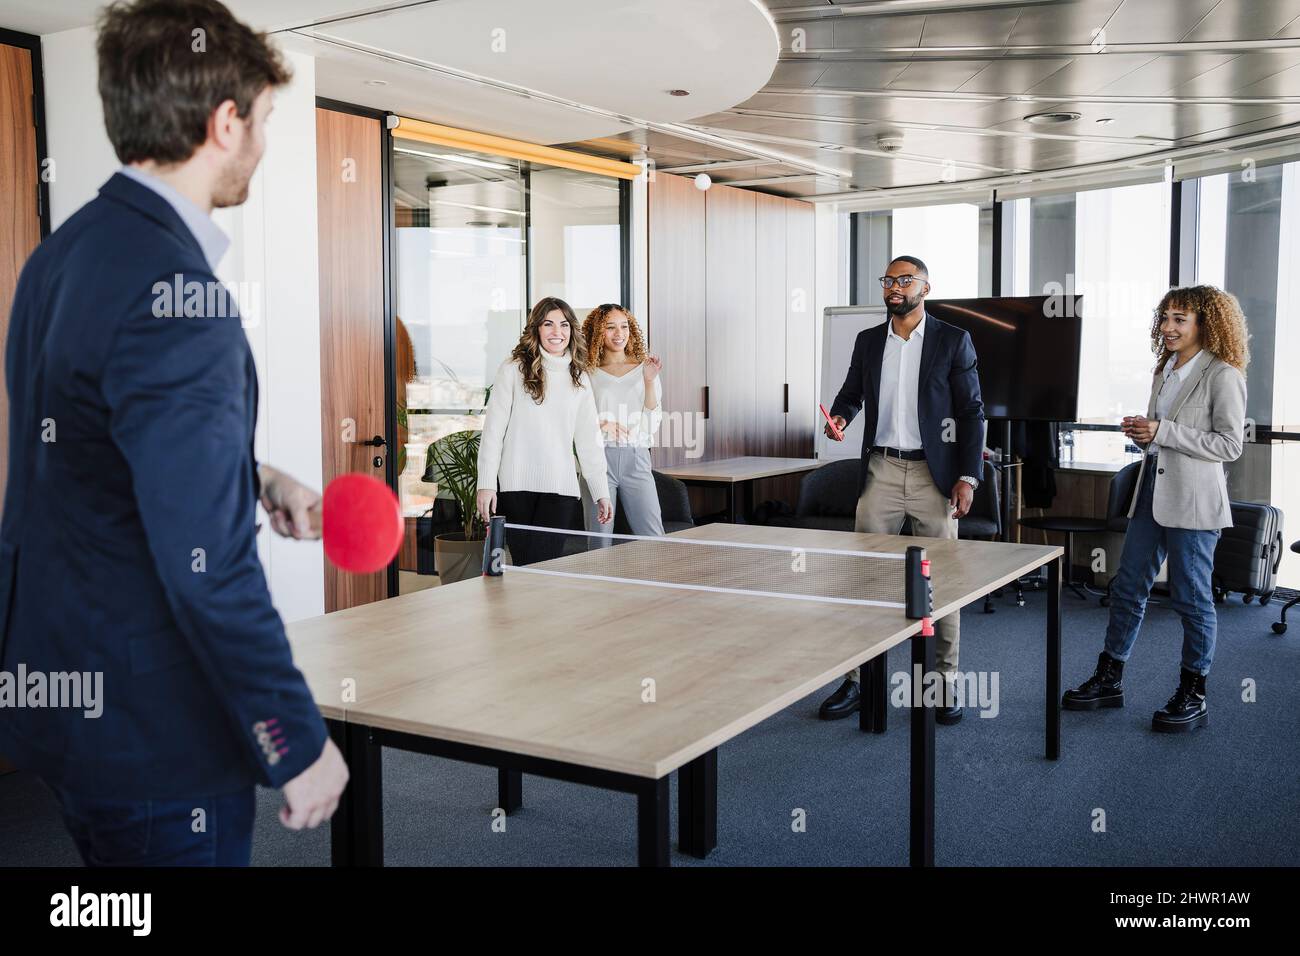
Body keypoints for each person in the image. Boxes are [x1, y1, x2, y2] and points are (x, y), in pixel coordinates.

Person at [0, 0, 346, 866]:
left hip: (66, 701)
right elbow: (209, 568)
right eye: (264, 120)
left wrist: (254, 476)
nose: (264, 145)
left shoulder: (62, 256)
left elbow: (97, 450)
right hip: (154, 732)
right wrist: (293, 736)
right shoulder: (178, 300)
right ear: (224, 122)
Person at [1063, 286, 1249, 733]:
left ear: (1205, 323)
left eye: (1179, 319)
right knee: (1127, 589)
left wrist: (1162, 431)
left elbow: (1229, 445)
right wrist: (1143, 434)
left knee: (1191, 598)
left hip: (1193, 503)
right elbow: (1163, 438)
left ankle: (1194, 692)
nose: (1168, 328)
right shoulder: (1164, 369)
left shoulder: (1223, 374)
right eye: (1165, 318)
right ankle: (1110, 678)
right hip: (1151, 495)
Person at [822, 255, 985, 724]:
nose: (894, 287)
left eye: (904, 280)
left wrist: (968, 476)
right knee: (864, 579)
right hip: (881, 472)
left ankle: (945, 682)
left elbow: (972, 412)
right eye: (888, 280)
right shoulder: (869, 341)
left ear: (925, 287)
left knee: (941, 583)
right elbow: (852, 394)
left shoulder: (953, 341)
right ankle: (858, 679)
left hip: (935, 477)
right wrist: (841, 419)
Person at [476, 298, 613, 564]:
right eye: (548, 324)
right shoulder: (513, 369)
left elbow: (588, 441)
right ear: (536, 328)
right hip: (515, 488)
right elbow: (493, 432)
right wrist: (486, 484)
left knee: (543, 566)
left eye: (563, 325)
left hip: (561, 489)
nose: (556, 332)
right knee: (526, 565)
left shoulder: (579, 377)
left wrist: (601, 491)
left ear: (571, 330)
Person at [580, 304, 665, 543]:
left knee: (653, 537)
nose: (619, 333)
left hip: (636, 458)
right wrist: (601, 423)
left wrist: (649, 381)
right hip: (597, 461)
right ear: (598, 331)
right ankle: (598, 581)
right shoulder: (587, 373)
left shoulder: (645, 368)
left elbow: (652, 423)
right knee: (599, 541)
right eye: (610, 327)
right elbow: (575, 419)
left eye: (624, 326)